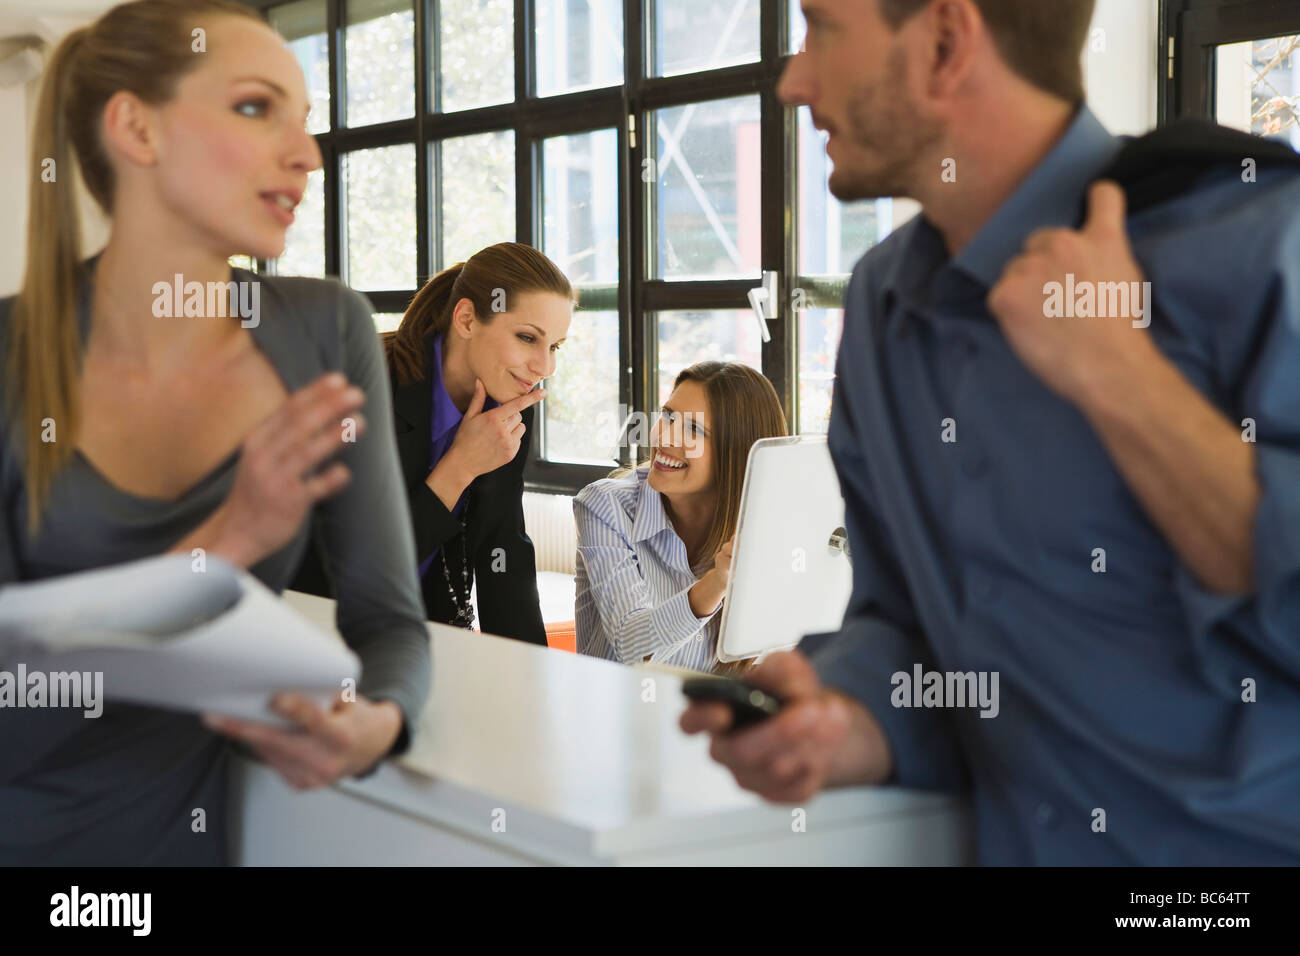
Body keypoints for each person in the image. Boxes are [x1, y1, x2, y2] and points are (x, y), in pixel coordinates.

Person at [682, 0, 1300, 864]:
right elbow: (912, 634)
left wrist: (1120, 379)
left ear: (944, 44)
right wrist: (850, 723)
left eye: (821, 29)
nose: (793, 82)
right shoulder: (881, 306)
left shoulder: (1264, 241)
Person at [0, 0, 430, 864]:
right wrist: (226, 543)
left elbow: (388, 621)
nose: (307, 155)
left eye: (306, 121)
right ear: (138, 129)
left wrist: (378, 724)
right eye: (253, 106)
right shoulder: (11, 354)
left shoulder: (325, 331)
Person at [292, 243, 573, 645]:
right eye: (528, 337)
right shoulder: (358, 384)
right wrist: (459, 468)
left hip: (419, 637)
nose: (544, 367)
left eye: (555, 346)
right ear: (466, 319)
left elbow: (503, 555)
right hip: (315, 626)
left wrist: (527, 680)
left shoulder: (510, 402)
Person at [575, 362, 788, 672]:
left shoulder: (762, 530)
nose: (665, 436)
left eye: (694, 429)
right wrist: (717, 582)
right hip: (616, 716)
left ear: (735, 454)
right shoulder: (606, 506)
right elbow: (631, 645)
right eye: (668, 416)